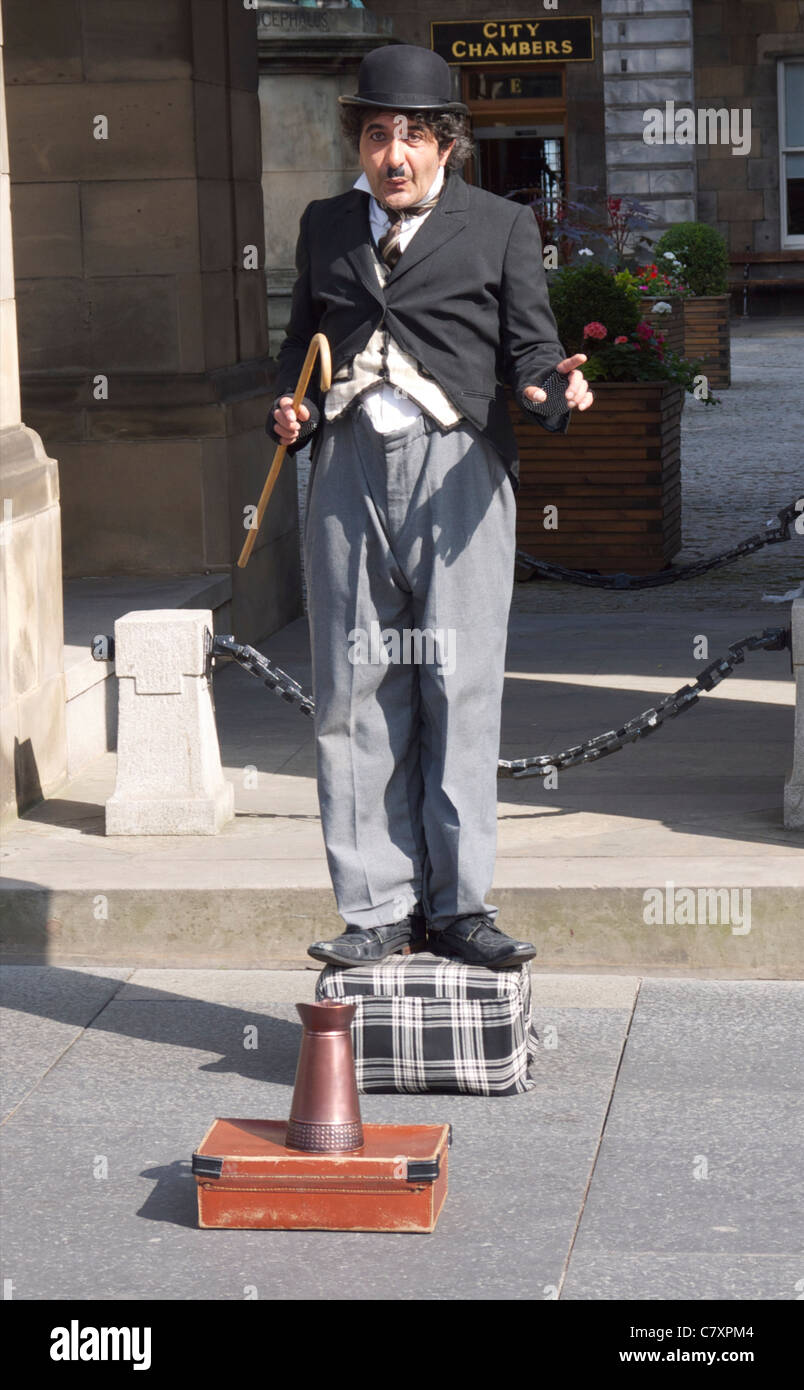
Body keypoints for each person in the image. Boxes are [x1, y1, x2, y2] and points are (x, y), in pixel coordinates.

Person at [267, 44, 593, 970]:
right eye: (378, 136)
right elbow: (297, 350)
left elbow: (534, 353)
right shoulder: (326, 223)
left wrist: (548, 394)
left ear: (447, 144)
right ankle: (374, 907)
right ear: (360, 145)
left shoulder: (499, 225)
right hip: (345, 472)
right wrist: (285, 409)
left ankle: (458, 909)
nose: (394, 154)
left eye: (413, 135)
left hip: (460, 473)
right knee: (355, 689)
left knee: (460, 686)